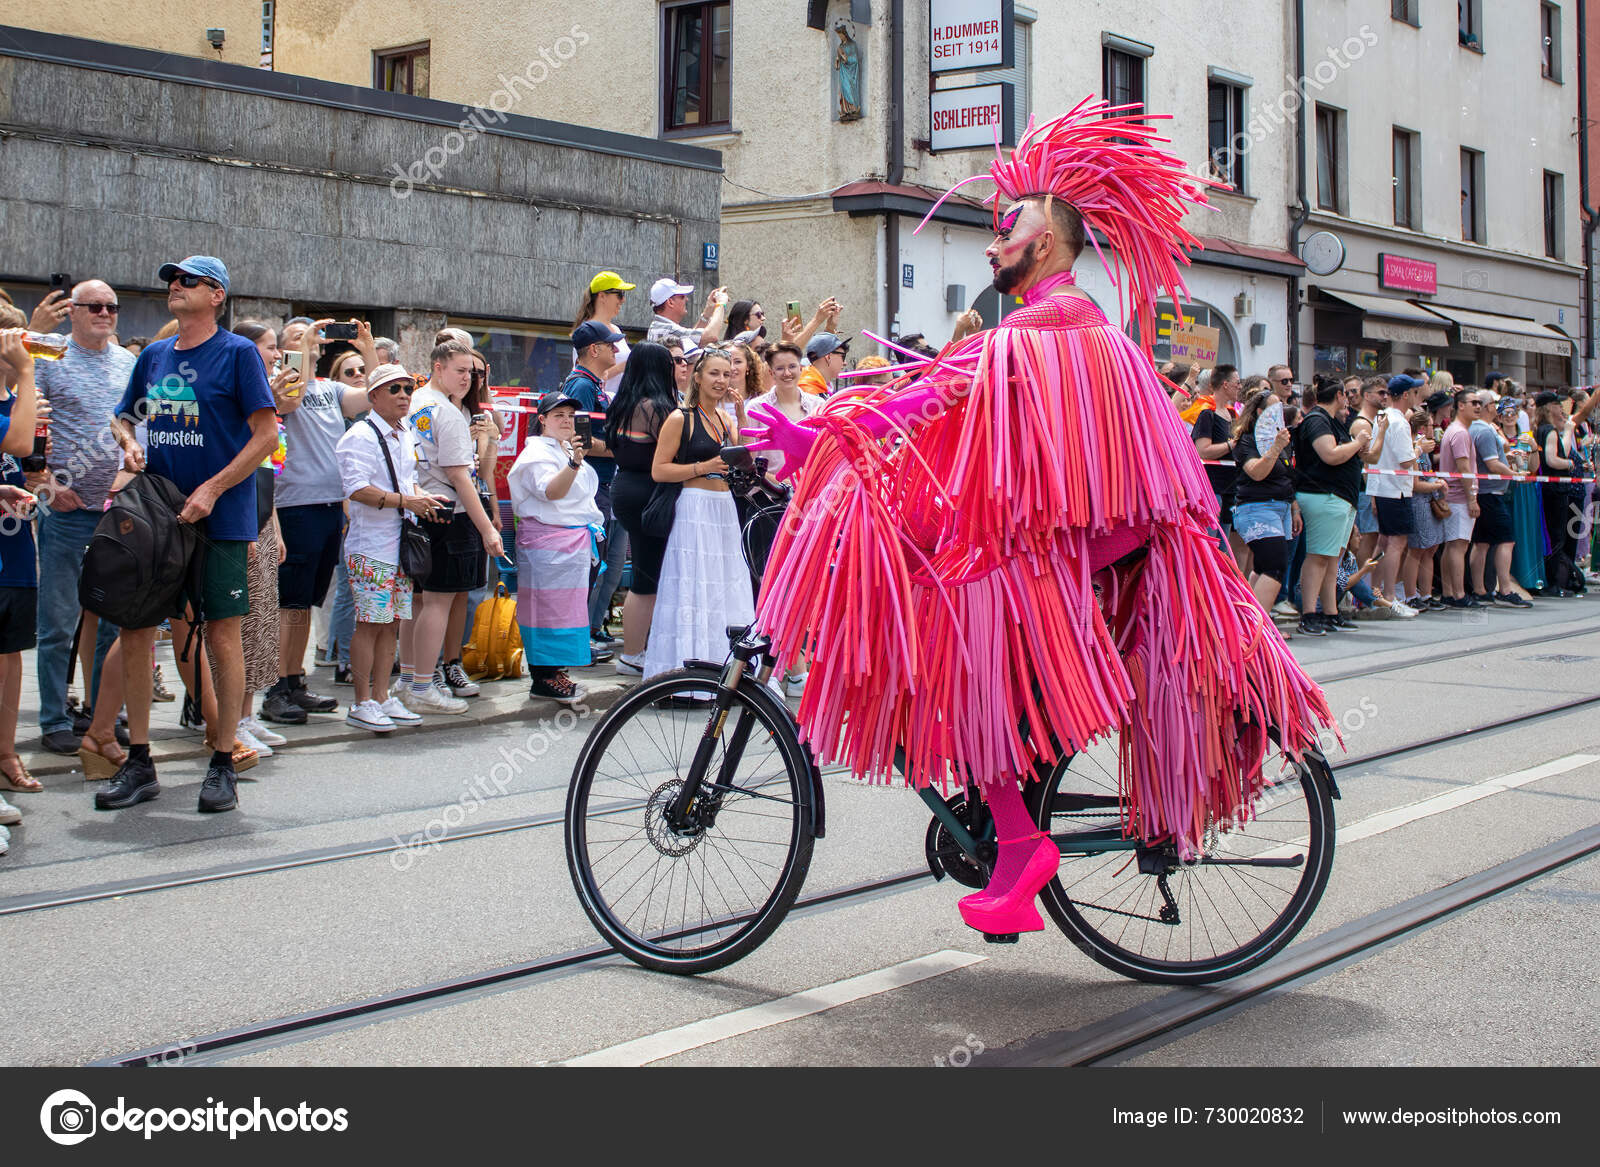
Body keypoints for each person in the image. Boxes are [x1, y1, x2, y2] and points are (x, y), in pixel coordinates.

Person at [746, 100, 1333, 937]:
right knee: (972, 635)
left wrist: (818, 429)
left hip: (1070, 556)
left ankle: (1020, 849)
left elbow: (927, 394)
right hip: (1101, 550)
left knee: (964, 657)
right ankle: (1009, 823)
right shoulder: (1086, 327)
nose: (992, 243)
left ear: (1046, 243)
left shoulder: (1039, 329)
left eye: (1005, 229)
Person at [101, 256, 279, 814]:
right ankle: (139, 761)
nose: (174, 288)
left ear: (216, 294)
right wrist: (129, 441)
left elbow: (266, 434)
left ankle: (223, 759)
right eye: (171, 281)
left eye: (187, 281)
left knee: (223, 636)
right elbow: (123, 415)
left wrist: (215, 489)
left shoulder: (238, 354)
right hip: (157, 516)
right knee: (135, 630)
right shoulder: (154, 356)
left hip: (218, 520)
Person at [24, 280, 133, 755]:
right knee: (58, 622)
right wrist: (46, 483)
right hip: (64, 509)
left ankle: (102, 713)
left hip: (117, 511)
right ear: (73, 312)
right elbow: (28, 420)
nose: (104, 314)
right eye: (94, 306)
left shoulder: (127, 362)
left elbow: (134, 425)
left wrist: (129, 476)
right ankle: (52, 719)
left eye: (111, 307)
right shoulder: (49, 354)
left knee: (112, 621)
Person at [261, 318, 378, 724]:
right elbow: (290, 400)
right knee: (288, 602)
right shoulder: (280, 384)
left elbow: (374, 396)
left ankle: (294, 679)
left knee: (306, 602)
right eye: (297, 336)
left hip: (329, 505)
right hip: (296, 505)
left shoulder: (330, 390)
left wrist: (365, 347)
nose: (309, 340)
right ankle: (275, 687)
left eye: (313, 335)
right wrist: (305, 351)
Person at [395, 340, 505, 714]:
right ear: (438, 367)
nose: (467, 379)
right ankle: (423, 683)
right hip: (447, 511)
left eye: (472, 373)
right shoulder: (443, 410)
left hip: (421, 508)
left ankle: (410, 679)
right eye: (460, 371)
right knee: (437, 602)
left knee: (421, 601)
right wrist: (488, 528)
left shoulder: (419, 402)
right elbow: (461, 477)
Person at [642, 346, 754, 683]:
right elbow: (659, 471)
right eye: (714, 374)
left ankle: (730, 673)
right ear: (698, 377)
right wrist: (702, 467)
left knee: (725, 584)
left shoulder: (724, 418)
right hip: (694, 506)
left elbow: (743, 458)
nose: (721, 380)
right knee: (692, 585)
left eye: (726, 373)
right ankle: (686, 675)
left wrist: (741, 415)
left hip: (724, 511)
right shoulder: (681, 418)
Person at [335, 364, 434, 732]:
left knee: (390, 622)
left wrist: (423, 496)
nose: (404, 395)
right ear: (373, 395)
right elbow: (356, 489)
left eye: (408, 388)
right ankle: (362, 701)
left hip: (398, 544)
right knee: (369, 624)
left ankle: (381, 696)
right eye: (394, 389)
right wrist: (407, 502)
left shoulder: (405, 433)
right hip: (371, 545)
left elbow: (408, 482)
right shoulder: (360, 435)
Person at [230, 321, 302, 757]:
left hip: (260, 513)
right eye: (270, 348)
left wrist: (272, 524)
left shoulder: (267, 407)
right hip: (235, 520)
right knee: (237, 624)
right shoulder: (238, 399)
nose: (277, 356)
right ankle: (227, 719)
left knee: (261, 623)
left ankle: (247, 713)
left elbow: (267, 473)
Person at [507, 391, 603, 704]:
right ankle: (544, 676)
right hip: (549, 544)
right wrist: (575, 462)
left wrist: (575, 458)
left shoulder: (562, 449)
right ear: (542, 419)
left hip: (573, 542)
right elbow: (551, 492)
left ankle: (556, 671)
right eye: (558, 415)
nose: (565, 420)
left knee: (565, 612)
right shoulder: (536, 454)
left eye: (570, 415)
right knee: (547, 612)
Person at [606, 342, 679, 674]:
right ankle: (633, 654)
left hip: (625, 489)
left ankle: (636, 651)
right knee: (648, 578)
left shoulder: (622, 403)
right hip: (651, 494)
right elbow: (677, 452)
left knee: (644, 573)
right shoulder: (657, 408)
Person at [560, 321, 623, 659]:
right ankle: (576, 641)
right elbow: (579, 441)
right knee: (589, 564)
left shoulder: (594, 385)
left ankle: (582, 635)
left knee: (597, 565)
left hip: (601, 483)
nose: (616, 351)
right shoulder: (582, 386)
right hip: (591, 485)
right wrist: (621, 447)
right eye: (611, 345)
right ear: (594, 350)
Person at [0, 327, 44, 801]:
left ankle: (6, 752)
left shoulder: (17, 397)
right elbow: (17, 443)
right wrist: (28, 375)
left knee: (10, 660)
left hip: (14, 551)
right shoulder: (21, 396)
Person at [1293, 377, 1370, 635]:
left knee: (1330, 558)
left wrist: (1361, 444)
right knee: (1318, 557)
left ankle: (1330, 612)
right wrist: (1358, 442)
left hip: (1337, 498)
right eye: (1346, 395)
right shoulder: (1317, 420)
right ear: (1339, 395)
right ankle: (1309, 614)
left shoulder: (1332, 421)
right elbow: (1330, 454)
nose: (1348, 400)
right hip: (1322, 495)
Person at [1228, 388, 1300, 628]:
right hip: (1257, 508)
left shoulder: (1280, 439)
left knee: (1263, 566)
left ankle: (1251, 622)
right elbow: (1257, 472)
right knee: (1274, 565)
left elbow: (1288, 478)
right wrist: (1276, 448)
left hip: (1280, 508)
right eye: (1272, 408)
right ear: (1259, 412)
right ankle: (1258, 628)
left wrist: (1294, 509)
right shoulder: (1247, 440)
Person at [1366, 374, 1423, 616]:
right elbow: (1407, 460)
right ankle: (1388, 596)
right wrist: (1420, 448)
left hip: (1384, 487)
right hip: (1395, 489)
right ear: (1407, 395)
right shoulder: (1398, 421)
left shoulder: (1383, 417)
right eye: (1415, 391)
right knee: (1396, 543)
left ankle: (1375, 594)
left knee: (1384, 541)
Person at [1468, 390, 1532, 608]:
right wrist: (1514, 474)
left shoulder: (1482, 428)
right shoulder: (1484, 431)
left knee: (1482, 543)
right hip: (1490, 494)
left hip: (1486, 493)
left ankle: (1479, 589)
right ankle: (1504, 589)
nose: (1498, 407)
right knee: (1506, 540)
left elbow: (1497, 457)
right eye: (1495, 403)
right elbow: (1493, 463)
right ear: (1489, 407)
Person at [1188, 363, 1243, 565]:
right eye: (1237, 383)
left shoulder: (1234, 415)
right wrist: (1232, 444)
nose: (1240, 387)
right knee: (1210, 548)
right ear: (1225, 385)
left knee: (1224, 551)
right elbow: (1202, 450)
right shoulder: (1206, 414)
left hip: (1230, 489)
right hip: (1213, 489)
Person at [1534, 390, 1585, 595]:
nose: (1560, 409)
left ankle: (1554, 579)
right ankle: (1555, 582)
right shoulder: (1551, 431)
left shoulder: (1539, 429)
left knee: (1551, 535)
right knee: (1557, 536)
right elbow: (1552, 459)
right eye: (1557, 405)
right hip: (1556, 489)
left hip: (1548, 489)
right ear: (1549, 408)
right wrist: (1570, 463)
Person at [1437, 389, 1482, 607]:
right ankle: (1459, 594)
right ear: (1460, 405)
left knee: (1452, 545)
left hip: (1453, 497)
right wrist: (1472, 498)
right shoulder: (1460, 433)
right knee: (1458, 546)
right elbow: (1464, 468)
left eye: (1480, 403)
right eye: (1473, 402)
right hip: (1459, 498)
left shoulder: (1456, 430)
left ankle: (1449, 592)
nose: (1478, 406)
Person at [1403, 403, 1448, 610]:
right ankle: (1411, 595)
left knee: (1430, 549)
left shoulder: (1427, 450)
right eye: (1429, 426)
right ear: (1421, 428)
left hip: (1429, 500)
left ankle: (1427, 593)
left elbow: (1426, 475)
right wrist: (1436, 485)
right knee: (1416, 550)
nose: (1433, 429)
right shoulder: (1415, 449)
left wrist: (1436, 482)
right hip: (1417, 502)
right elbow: (1414, 484)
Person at [572, 271, 635, 395]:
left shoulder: (616, 329)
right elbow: (582, 374)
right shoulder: (586, 333)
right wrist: (623, 366)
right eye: (619, 294)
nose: (623, 300)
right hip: (599, 404)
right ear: (602, 296)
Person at [646, 279, 728, 347]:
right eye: (682, 297)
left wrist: (708, 311)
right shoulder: (667, 329)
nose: (686, 299)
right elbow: (710, 337)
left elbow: (693, 340)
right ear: (670, 302)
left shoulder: (661, 326)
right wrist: (720, 304)